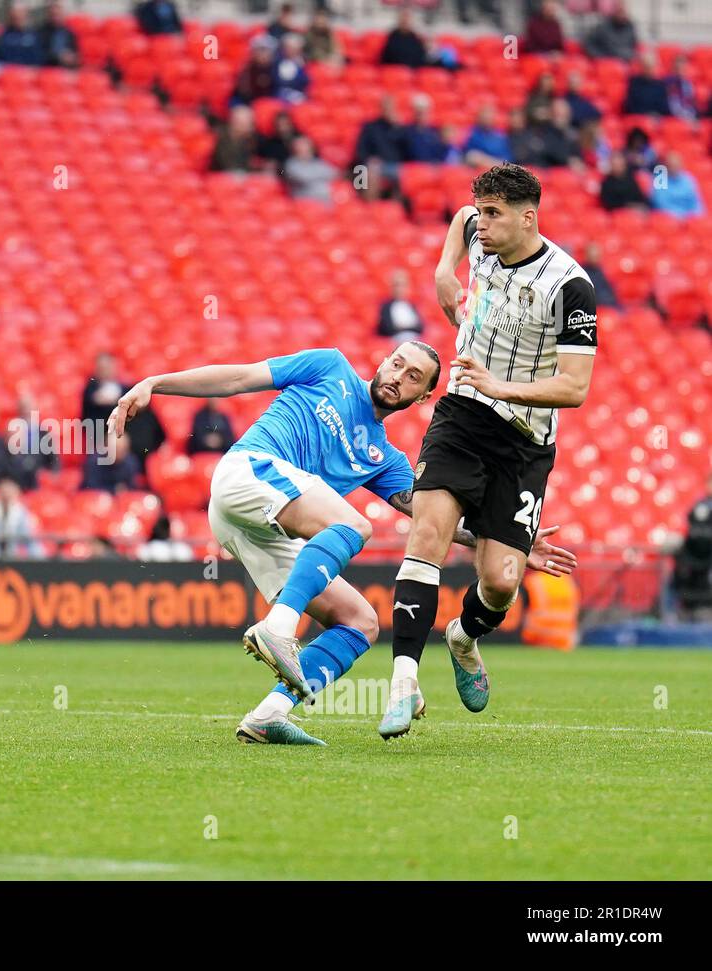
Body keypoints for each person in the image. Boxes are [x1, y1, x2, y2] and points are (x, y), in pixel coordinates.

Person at [111, 341, 470, 745]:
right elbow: (238, 377)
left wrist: (514, 543)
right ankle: (278, 627)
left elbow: (433, 518)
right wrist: (155, 383)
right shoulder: (330, 366)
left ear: (422, 396)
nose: (398, 377)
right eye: (397, 364)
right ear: (383, 361)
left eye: (413, 377)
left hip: (264, 522)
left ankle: (269, 715)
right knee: (354, 525)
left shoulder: (384, 458)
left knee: (360, 622)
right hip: (249, 470)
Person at [387, 163, 594, 739]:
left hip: (525, 438)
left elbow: (575, 388)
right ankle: (403, 681)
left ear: (528, 217)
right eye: (480, 210)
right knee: (426, 532)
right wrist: (443, 273)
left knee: (502, 580)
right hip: (462, 415)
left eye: (494, 213)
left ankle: (463, 637)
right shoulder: (477, 231)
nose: (481, 223)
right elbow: (458, 220)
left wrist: (503, 386)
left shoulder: (570, 286)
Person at [673, 474, 712, 613]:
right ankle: (674, 609)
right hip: (695, 554)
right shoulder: (699, 505)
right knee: (678, 575)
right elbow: (690, 525)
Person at [0, 478, 42, 559]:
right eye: (4, 490)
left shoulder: (21, 511)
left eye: (10, 490)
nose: (7, 494)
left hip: (13, 555)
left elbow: (28, 539)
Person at [281, 136, 335, 204]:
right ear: (295, 150)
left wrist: (313, 176)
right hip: (303, 200)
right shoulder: (291, 164)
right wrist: (321, 176)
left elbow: (334, 174)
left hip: (325, 200)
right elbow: (302, 178)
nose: (305, 152)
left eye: (307, 149)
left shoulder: (319, 162)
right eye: (301, 149)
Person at [650, 153, 705, 219]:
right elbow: (660, 204)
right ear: (666, 166)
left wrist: (695, 216)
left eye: (676, 165)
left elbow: (696, 203)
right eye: (671, 165)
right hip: (669, 219)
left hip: (689, 218)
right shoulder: (660, 178)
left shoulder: (688, 179)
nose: (674, 168)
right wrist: (681, 216)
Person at [231, 34, 279, 108]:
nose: (262, 54)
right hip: (250, 106)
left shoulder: (278, 69)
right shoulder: (246, 71)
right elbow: (240, 94)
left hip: (273, 105)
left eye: (266, 50)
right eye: (259, 50)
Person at [210, 105, 259, 173]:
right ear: (236, 123)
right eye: (250, 124)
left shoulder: (246, 141)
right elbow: (229, 167)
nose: (252, 129)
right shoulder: (217, 139)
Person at [377, 269, 423, 340]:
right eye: (397, 285)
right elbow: (386, 328)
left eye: (403, 285)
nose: (400, 289)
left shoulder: (411, 305)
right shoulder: (386, 307)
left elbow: (420, 327)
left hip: (414, 338)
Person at [623, 52, 670, 116]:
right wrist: (645, 114)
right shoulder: (634, 83)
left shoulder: (660, 85)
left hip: (655, 118)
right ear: (641, 66)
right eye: (646, 66)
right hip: (638, 117)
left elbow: (664, 108)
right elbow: (629, 106)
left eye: (651, 66)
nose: (648, 69)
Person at [38, 1, 79, 69]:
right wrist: (59, 57)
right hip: (49, 69)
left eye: (58, 11)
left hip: (67, 70)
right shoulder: (41, 32)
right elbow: (40, 54)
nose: (56, 14)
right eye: (53, 13)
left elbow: (76, 53)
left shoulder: (70, 33)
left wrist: (72, 57)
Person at [580, 241, 619, 309]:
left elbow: (611, 293)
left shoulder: (603, 272)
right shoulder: (582, 273)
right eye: (592, 255)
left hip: (607, 305)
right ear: (587, 255)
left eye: (596, 255)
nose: (594, 258)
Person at [274, 33, 309, 104]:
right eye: (287, 47)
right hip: (281, 95)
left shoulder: (305, 63)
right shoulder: (277, 62)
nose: (289, 50)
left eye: (293, 48)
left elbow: (306, 81)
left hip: (301, 95)